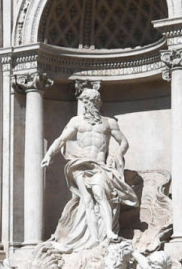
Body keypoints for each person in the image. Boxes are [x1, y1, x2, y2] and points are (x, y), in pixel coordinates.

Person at [42, 84, 136, 250]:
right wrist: (49, 154)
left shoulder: (109, 123)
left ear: (99, 102)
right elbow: (61, 140)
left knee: (100, 194)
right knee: (86, 200)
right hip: (79, 164)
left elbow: (124, 142)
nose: (89, 105)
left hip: (99, 165)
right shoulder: (76, 122)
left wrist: (117, 154)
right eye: (86, 101)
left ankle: (108, 232)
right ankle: (94, 239)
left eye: (92, 101)